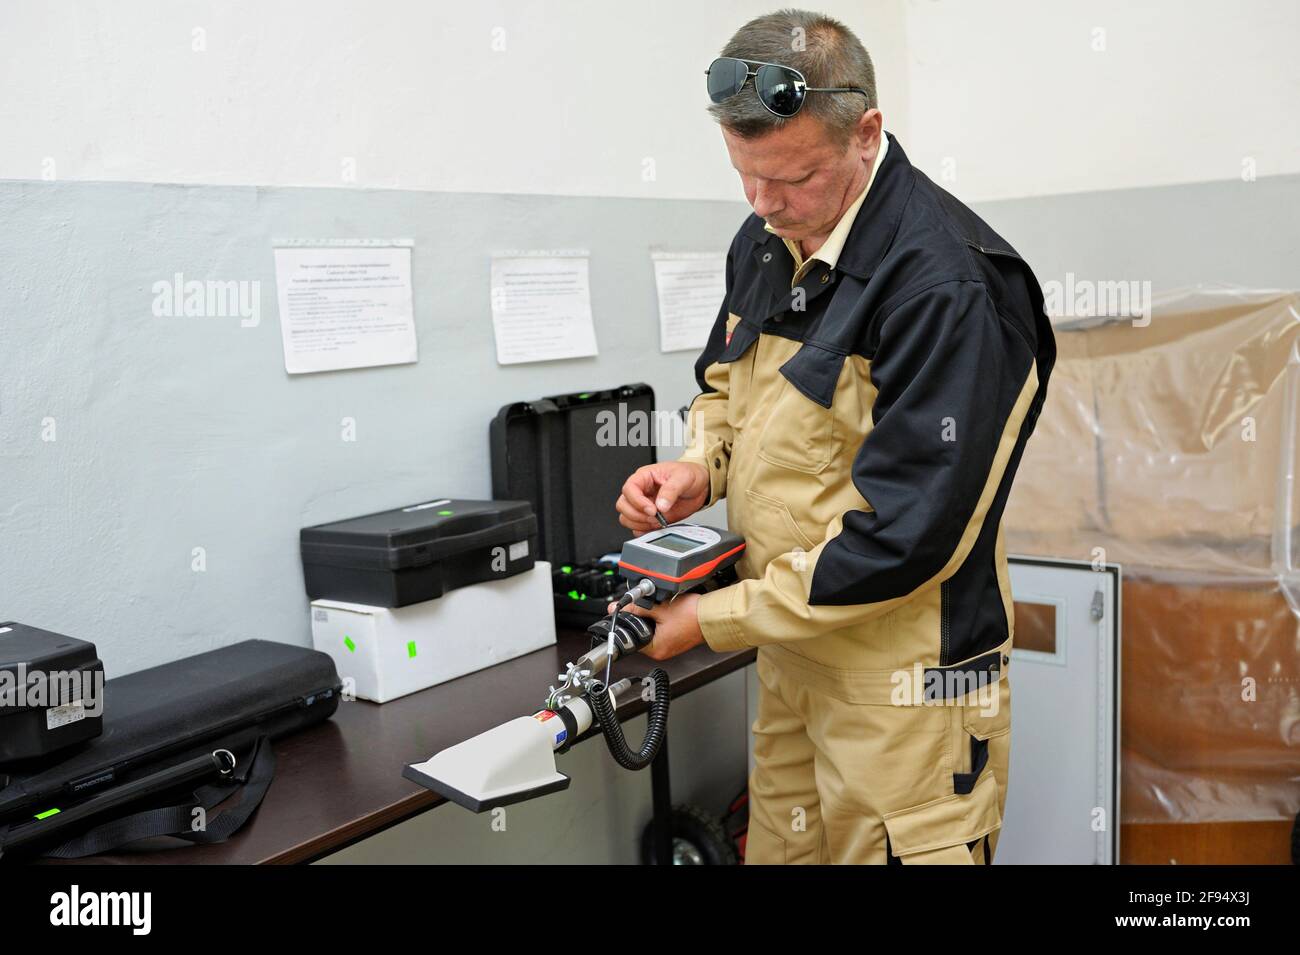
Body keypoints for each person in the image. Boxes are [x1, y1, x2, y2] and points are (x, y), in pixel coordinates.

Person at [613, 9, 1056, 864]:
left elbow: (906, 537)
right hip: (792, 659)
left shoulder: (947, 285)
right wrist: (694, 468)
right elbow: (724, 385)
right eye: (745, 176)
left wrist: (714, 617)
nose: (766, 204)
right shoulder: (769, 237)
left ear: (867, 133)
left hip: (905, 691)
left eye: (796, 177)